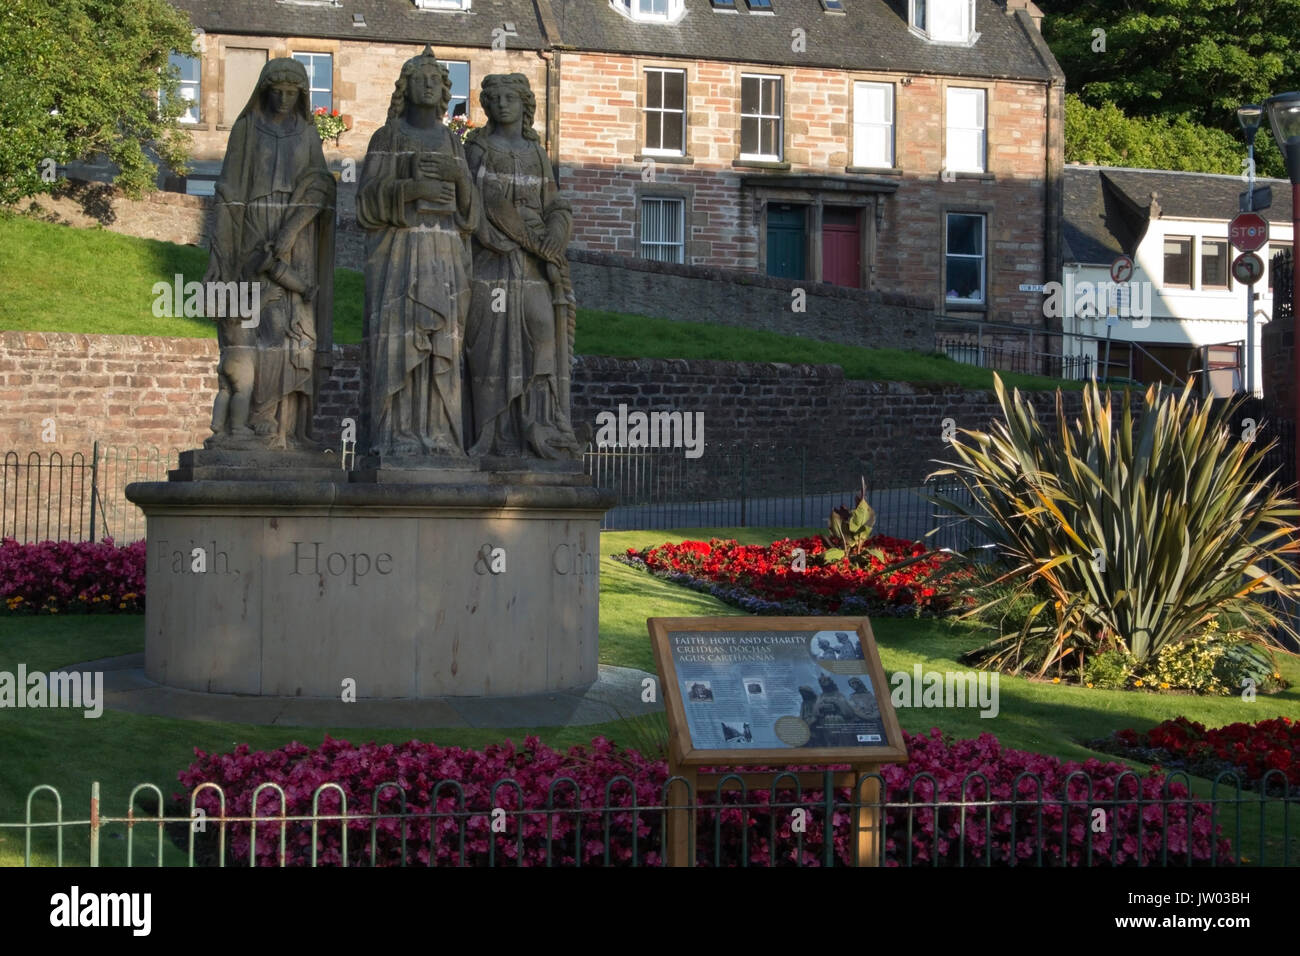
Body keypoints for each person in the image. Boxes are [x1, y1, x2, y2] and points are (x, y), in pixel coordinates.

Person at [204, 57, 336, 450]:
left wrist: (294, 226)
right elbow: (228, 191)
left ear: (301, 95)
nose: (283, 98)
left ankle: (287, 428)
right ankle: (252, 419)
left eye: (291, 92)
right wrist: (221, 253)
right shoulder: (247, 128)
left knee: (295, 329)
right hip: (252, 233)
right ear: (264, 91)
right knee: (256, 325)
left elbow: (322, 185)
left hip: (297, 240)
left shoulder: (307, 134)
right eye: (276, 91)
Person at [357, 47, 480, 458]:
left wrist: (459, 178)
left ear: (445, 91)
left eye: (436, 80)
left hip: (445, 251)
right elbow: (366, 203)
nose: (429, 85)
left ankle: (441, 436)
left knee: (443, 342)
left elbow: (472, 215)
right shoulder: (387, 137)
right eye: (420, 79)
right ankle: (397, 436)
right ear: (405, 87)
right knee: (402, 342)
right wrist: (412, 190)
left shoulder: (452, 141)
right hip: (401, 252)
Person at [463, 73, 582, 460]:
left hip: (534, 265)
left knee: (543, 328)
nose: (502, 104)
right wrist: (531, 240)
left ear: (524, 103)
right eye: (495, 98)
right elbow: (483, 202)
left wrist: (556, 234)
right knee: (490, 344)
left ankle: (539, 424)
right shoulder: (477, 148)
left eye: (509, 97)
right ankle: (492, 431)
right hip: (493, 258)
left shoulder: (536, 151)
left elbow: (555, 202)